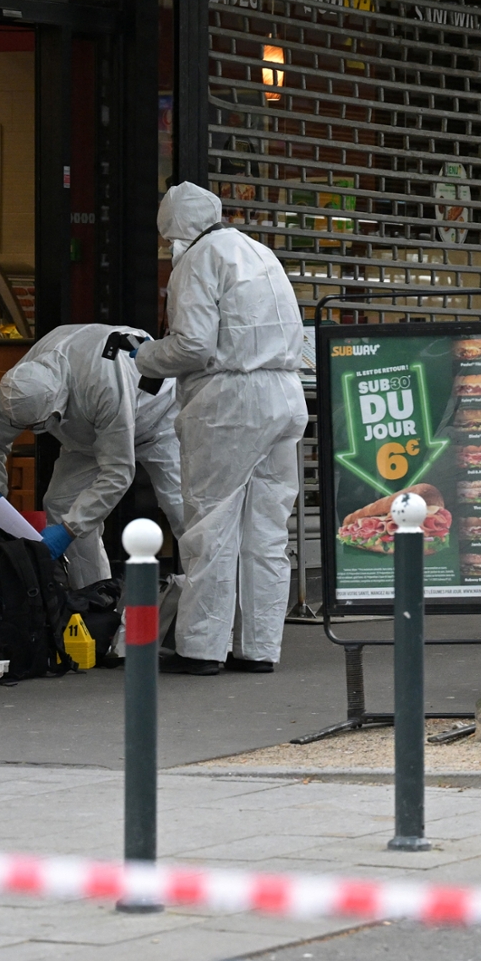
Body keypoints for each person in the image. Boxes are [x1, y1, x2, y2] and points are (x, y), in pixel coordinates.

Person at [133, 181, 306, 675]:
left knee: (211, 523)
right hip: (285, 394)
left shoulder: (198, 260)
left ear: (174, 231)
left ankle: (201, 648)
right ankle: (259, 648)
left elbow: (193, 345)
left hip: (231, 403)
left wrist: (144, 356)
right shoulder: (258, 252)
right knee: (267, 530)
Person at [0, 322, 186, 592]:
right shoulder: (17, 388)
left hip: (157, 420)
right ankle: (95, 598)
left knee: (184, 510)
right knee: (62, 504)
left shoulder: (102, 384)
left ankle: (214, 605)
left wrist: (68, 530)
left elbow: (118, 473)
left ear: (58, 402)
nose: (33, 432)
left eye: (39, 426)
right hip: (89, 433)